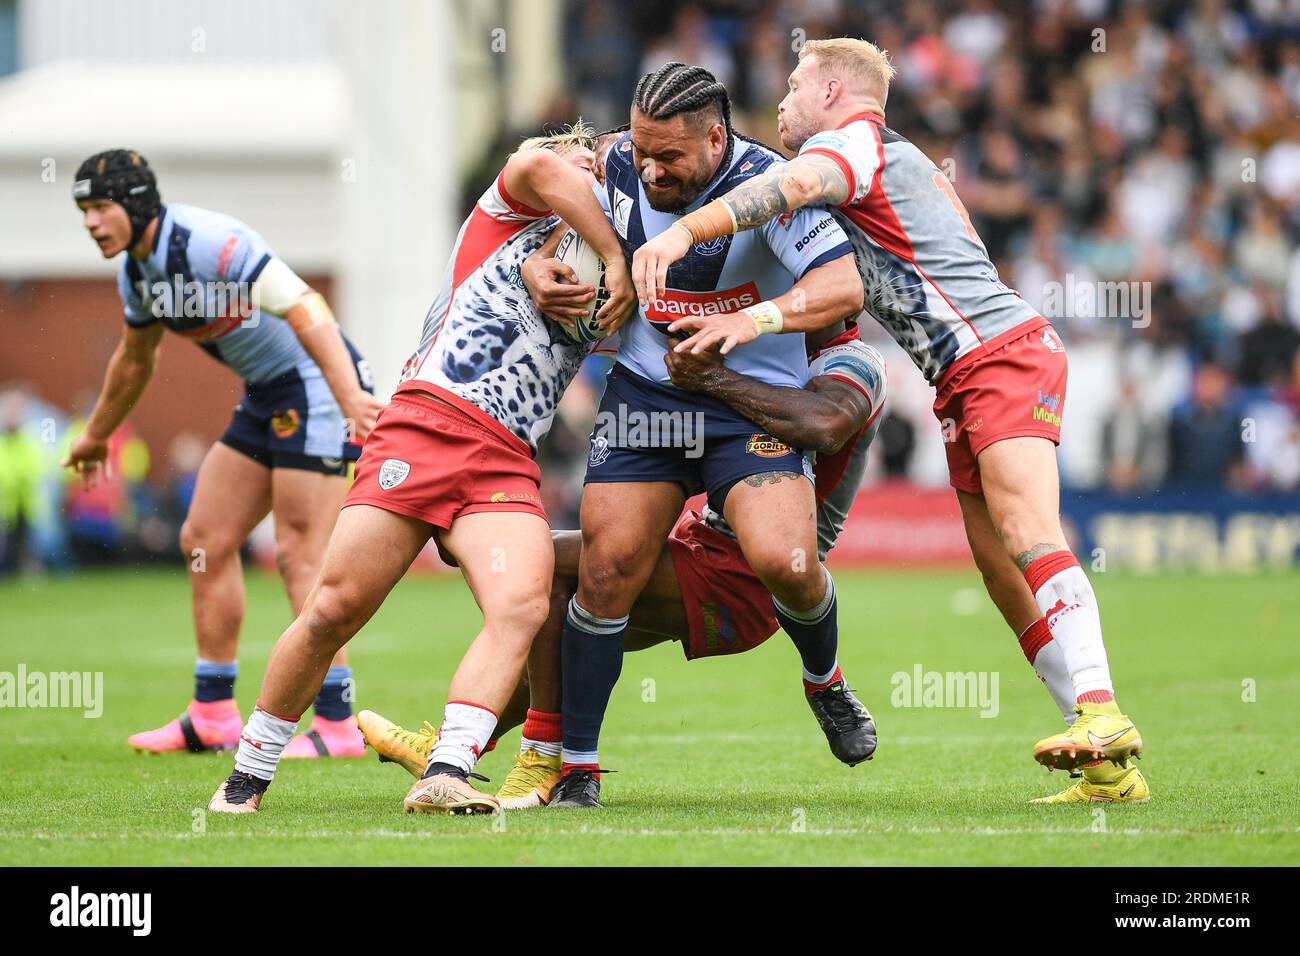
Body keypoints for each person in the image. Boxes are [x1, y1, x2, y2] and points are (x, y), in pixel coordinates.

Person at [633, 39, 1147, 804]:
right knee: (1003, 576)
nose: (782, 100)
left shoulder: (855, 142)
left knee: (1027, 531)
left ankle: (1101, 713)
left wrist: (684, 231)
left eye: (797, 84)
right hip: (961, 376)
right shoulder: (884, 157)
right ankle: (1108, 771)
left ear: (836, 91)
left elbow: (788, 186)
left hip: (999, 355)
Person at [206, 122, 637, 815]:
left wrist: (621, 264)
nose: (590, 167)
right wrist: (610, 253)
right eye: (581, 152)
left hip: (504, 455)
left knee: (523, 604)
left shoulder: (623, 256)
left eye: (605, 162)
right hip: (427, 423)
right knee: (335, 608)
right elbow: (546, 173)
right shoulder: (511, 204)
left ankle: (447, 769)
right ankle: (246, 776)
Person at [359, 319, 888, 810]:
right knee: (563, 604)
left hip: (747, 579)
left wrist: (709, 377)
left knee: (539, 563)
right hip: (701, 546)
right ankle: (458, 751)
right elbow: (698, 446)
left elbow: (821, 425)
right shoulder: (753, 349)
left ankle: (541, 758)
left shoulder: (851, 361)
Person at [551, 62, 876, 809]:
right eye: (642, 150)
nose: (652, 169)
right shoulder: (616, 160)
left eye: (671, 156)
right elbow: (533, 190)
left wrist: (749, 320)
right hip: (647, 394)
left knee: (786, 562)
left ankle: (824, 681)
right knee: (607, 571)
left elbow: (843, 286)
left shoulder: (774, 187)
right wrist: (546, 269)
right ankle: (578, 769)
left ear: (717, 137)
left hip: (743, 403)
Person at [64, 149, 383, 759]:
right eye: (83, 212)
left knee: (298, 551)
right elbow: (135, 361)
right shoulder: (137, 272)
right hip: (266, 393)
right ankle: (212, 713)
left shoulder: (209, 241)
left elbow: (306, 306)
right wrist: (98, 434)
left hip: (316, 385)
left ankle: (338, 725)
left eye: (100, 207)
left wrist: (350, 397)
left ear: (134, 202)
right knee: (205, 537)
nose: (90, 223)